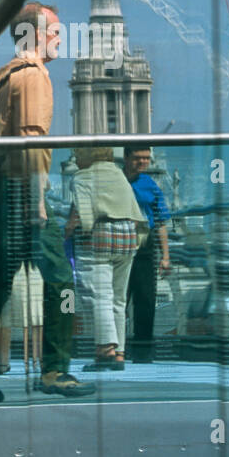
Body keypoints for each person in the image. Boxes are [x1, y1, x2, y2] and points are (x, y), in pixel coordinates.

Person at [0, 2, 94, 402]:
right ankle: (55, 370)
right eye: (56, 30)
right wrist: (37, 200)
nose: (61, 38)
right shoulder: (32, 77)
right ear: (33, 34)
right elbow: (31, 142)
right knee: (60, 279)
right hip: (22, 193)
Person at [66, 147, 147, 370]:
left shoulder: (83, 176)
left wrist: (67, 231)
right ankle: (120, 352)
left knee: (98, 295)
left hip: (99, 237)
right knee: (118, 299)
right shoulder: (117, 173)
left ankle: (105, 351)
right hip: (128, 236)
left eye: (77, 154)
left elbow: (81, 211)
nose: (75, 157)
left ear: (87, 155)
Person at [122, 146, 171, 364]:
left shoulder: (150, 185)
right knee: (118, 299)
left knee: (145, 298)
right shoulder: (115, 181)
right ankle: (117, 350)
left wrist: (165, 256)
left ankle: (142, 351)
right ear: (126, 158)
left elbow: (160, 222)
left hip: (144, 243)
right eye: (138, 158)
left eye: (146, 158)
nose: (143, 162)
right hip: (118, 242)